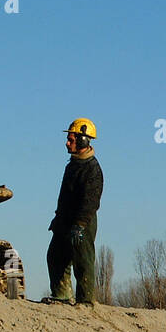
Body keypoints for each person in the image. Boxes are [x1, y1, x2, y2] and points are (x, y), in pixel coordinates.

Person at [46, 118, 103, 305]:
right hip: (64, 220)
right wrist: (57, 218)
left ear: (83, 141)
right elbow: (64, 197)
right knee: (55, 256)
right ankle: (62, 295)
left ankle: (86, 301)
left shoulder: (92, 169)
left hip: (82, 223)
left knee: (83, 261)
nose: (67, 143)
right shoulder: (71, 166)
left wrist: (80, 225)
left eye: (71, 139)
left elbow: (91, 201)